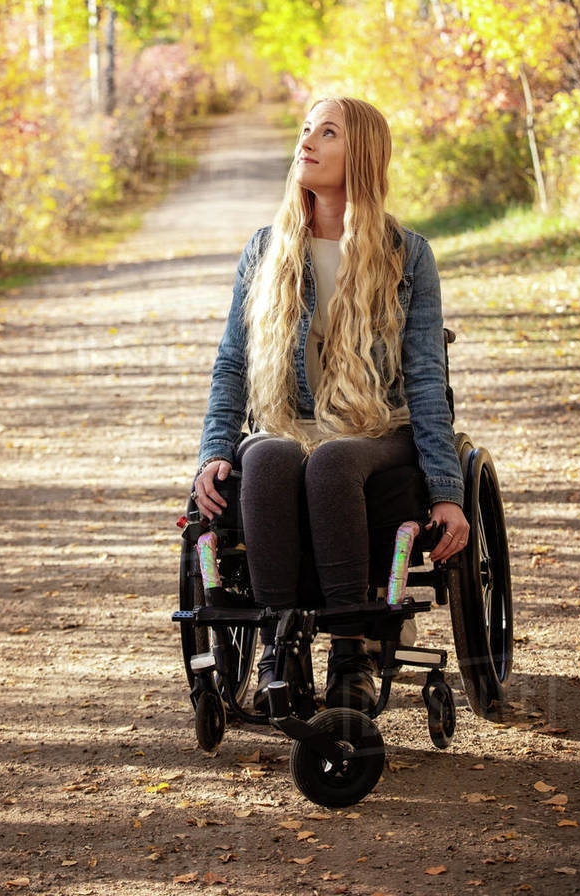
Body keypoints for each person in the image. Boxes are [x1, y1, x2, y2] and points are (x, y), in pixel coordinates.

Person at [193, 97, 469, 713]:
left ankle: (351, 653)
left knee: (334, 461)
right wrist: (214, 452)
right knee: (266, 459)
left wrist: (447, 491)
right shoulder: (266, 249)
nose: (307, 142)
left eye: (327, 133)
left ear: (361, 152)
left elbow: (426, 380)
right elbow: (232, 363)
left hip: (376, 425)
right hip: (287, 421)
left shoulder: (407, 254)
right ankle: (279, 649)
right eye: (304, 130)